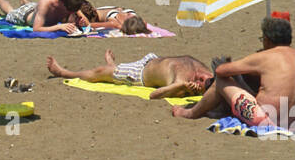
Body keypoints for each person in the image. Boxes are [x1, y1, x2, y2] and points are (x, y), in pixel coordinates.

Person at [171, 16, 295, 126]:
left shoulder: (265, 57)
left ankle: (190, 113)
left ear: (267, 40)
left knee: (220, 81)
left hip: (265, 119)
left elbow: (220, 70)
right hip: (291, 121)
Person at [46, 46, 213, 94]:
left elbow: (154, 94)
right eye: (203, 78)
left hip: (139, 74)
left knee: (100, 72)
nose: (198, 79)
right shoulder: (209, 73)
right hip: (153, 59)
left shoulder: (184, 80)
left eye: (200, 83)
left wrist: (182, 87)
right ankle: (113, 66)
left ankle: (64, 73)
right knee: (111, 69)